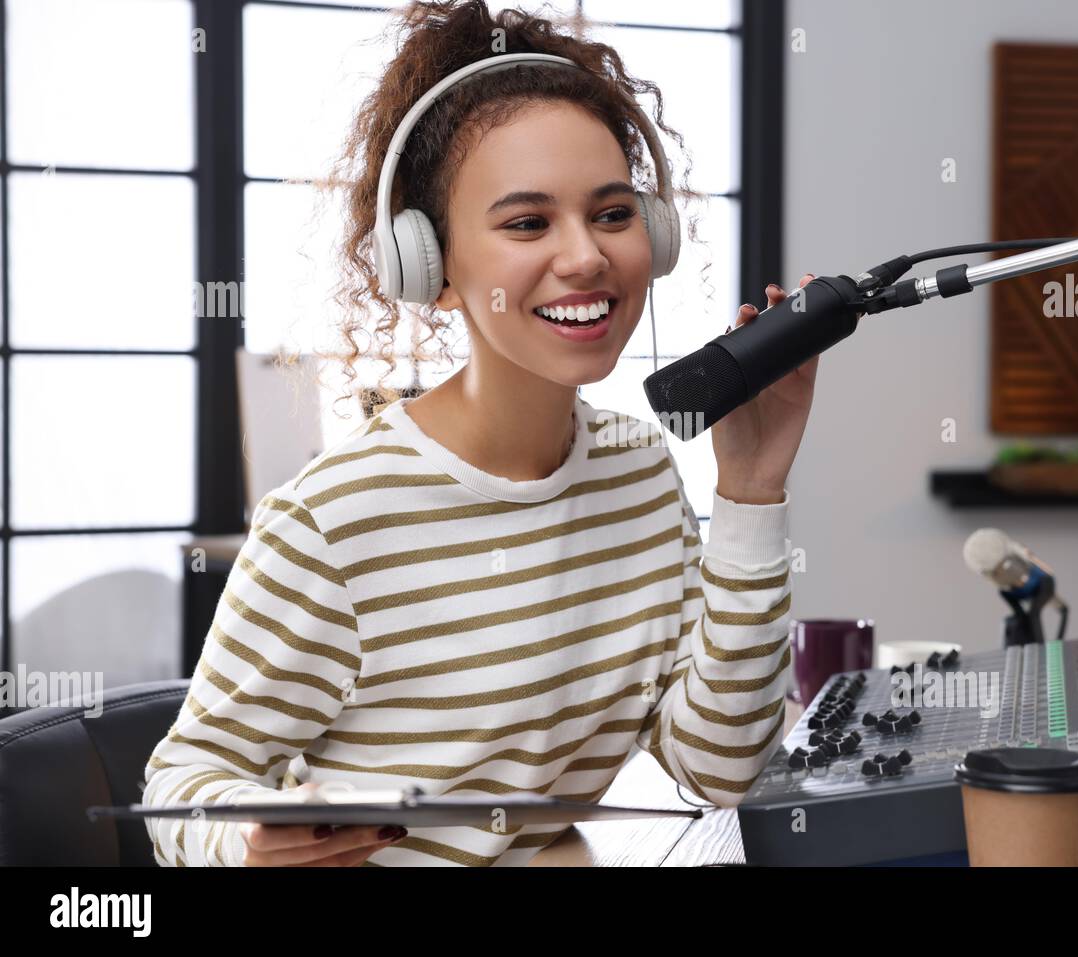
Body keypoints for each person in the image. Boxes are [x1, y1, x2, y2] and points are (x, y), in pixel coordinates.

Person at [142, 0, 820, 866]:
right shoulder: (335, 523)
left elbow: (721, 766)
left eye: (613, 214)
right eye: (528, 223)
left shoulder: (639, 471)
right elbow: (182, 781)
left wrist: (751, 491)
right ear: (430, 265)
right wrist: (243, 840)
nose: (584, 258)